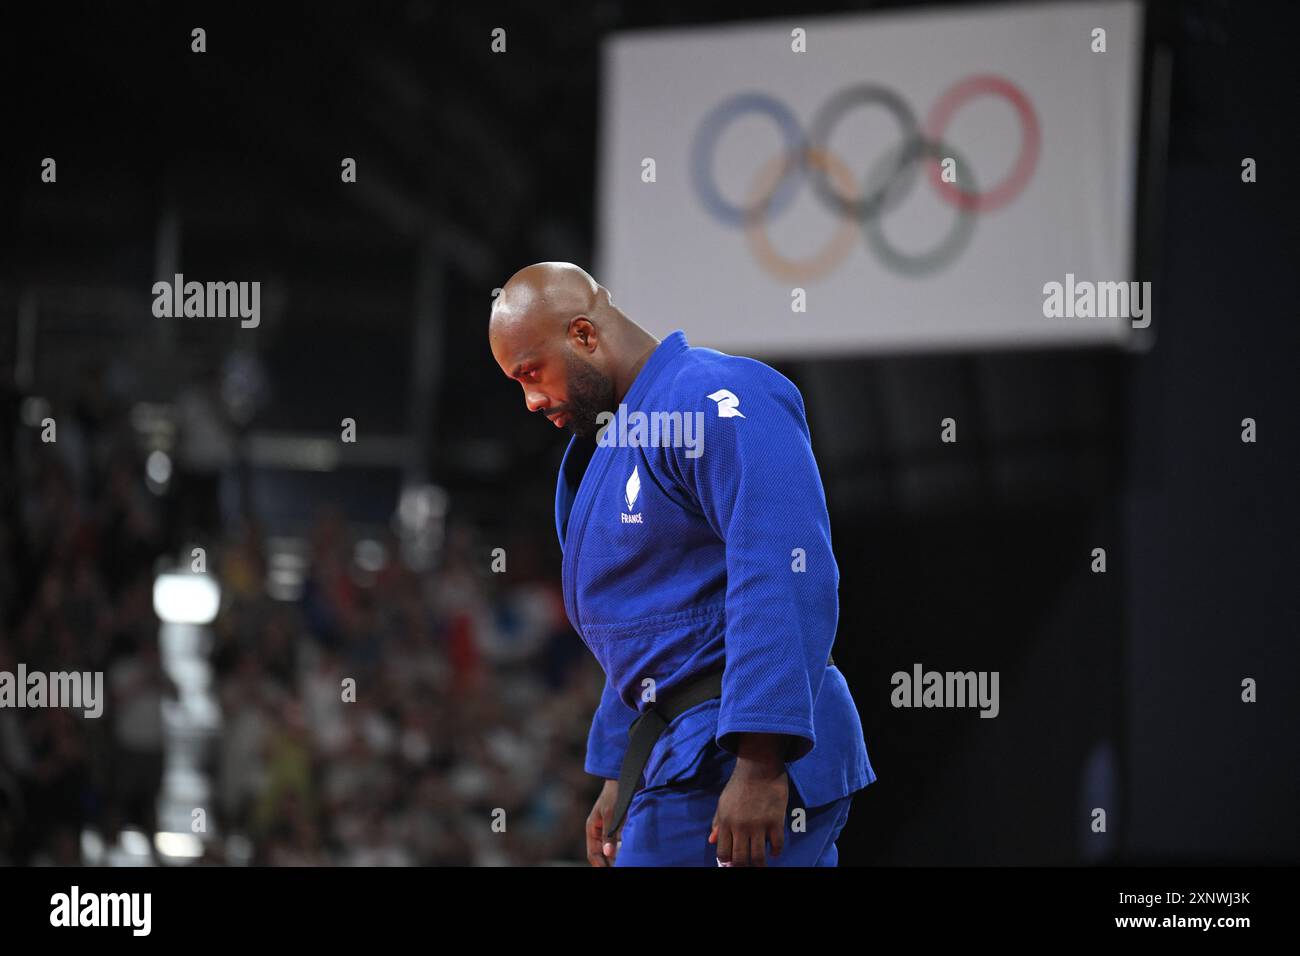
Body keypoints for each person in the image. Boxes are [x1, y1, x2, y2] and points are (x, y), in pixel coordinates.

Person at [488, 262, 875, 866]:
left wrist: (760, 759)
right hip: (675, 752)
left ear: (585, 335)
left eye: (532, 372)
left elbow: (782, 566)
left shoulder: (714, 395)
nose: (532, 400)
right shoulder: (603, 448)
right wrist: (622, 769)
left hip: (733, 741)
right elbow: (643, 632)